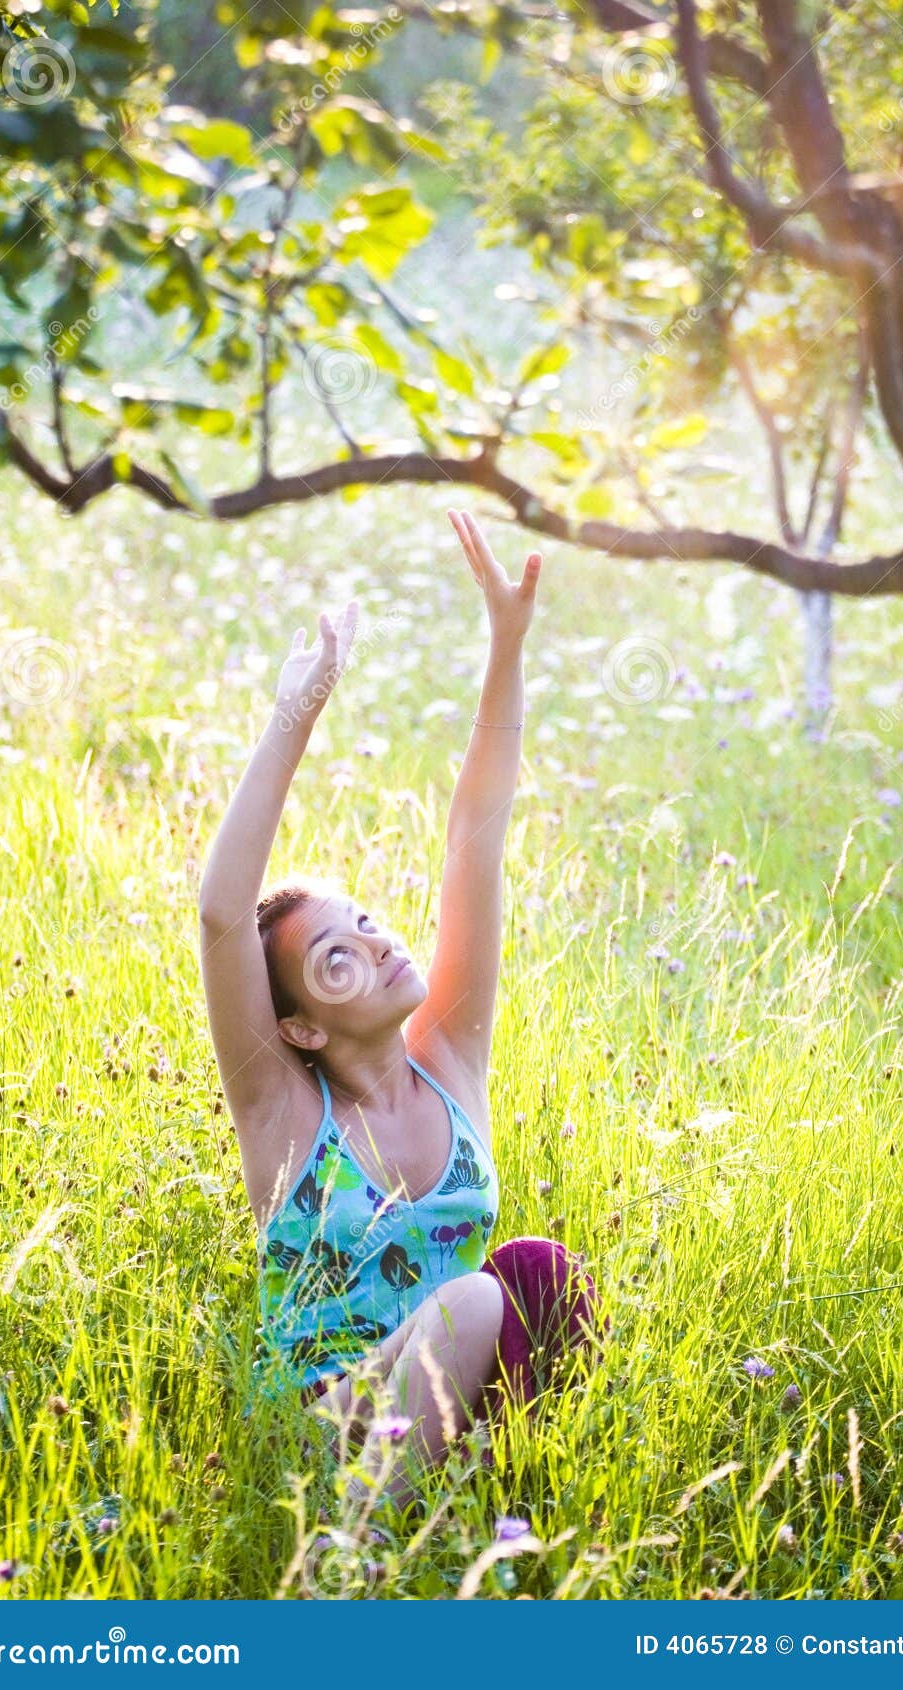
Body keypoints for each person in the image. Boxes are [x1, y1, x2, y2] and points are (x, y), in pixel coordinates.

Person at [198, 508, 603, 1507]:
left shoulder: (451, 1062)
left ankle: (483, 1510)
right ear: (298, 1025)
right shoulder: (285, 1118)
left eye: (369, 922)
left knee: (538, 1275)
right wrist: (297, 711)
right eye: (335, 956)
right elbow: (217, 916)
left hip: (440, 1390)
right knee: (473, 1297)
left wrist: (506, 644)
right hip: (327, 1419)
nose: (378, 944)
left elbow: (478, 823)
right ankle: (350, 1551)